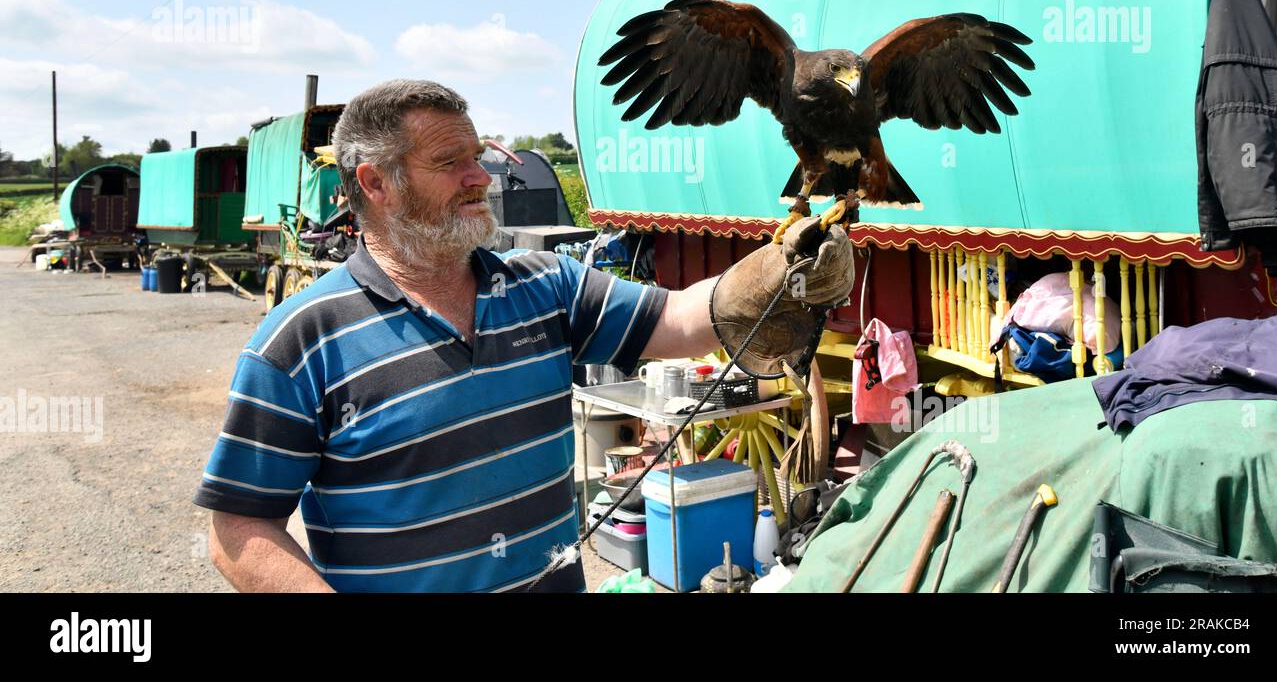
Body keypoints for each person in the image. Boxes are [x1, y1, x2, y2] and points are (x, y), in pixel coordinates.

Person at [195, 79, 854, 592]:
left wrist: (776, 274)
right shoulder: (300, 341)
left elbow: (679, 320)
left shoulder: (546, 287)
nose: (481, 176)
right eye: (450, 162)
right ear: (376, 183)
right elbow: (238, 525)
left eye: (476, 157)